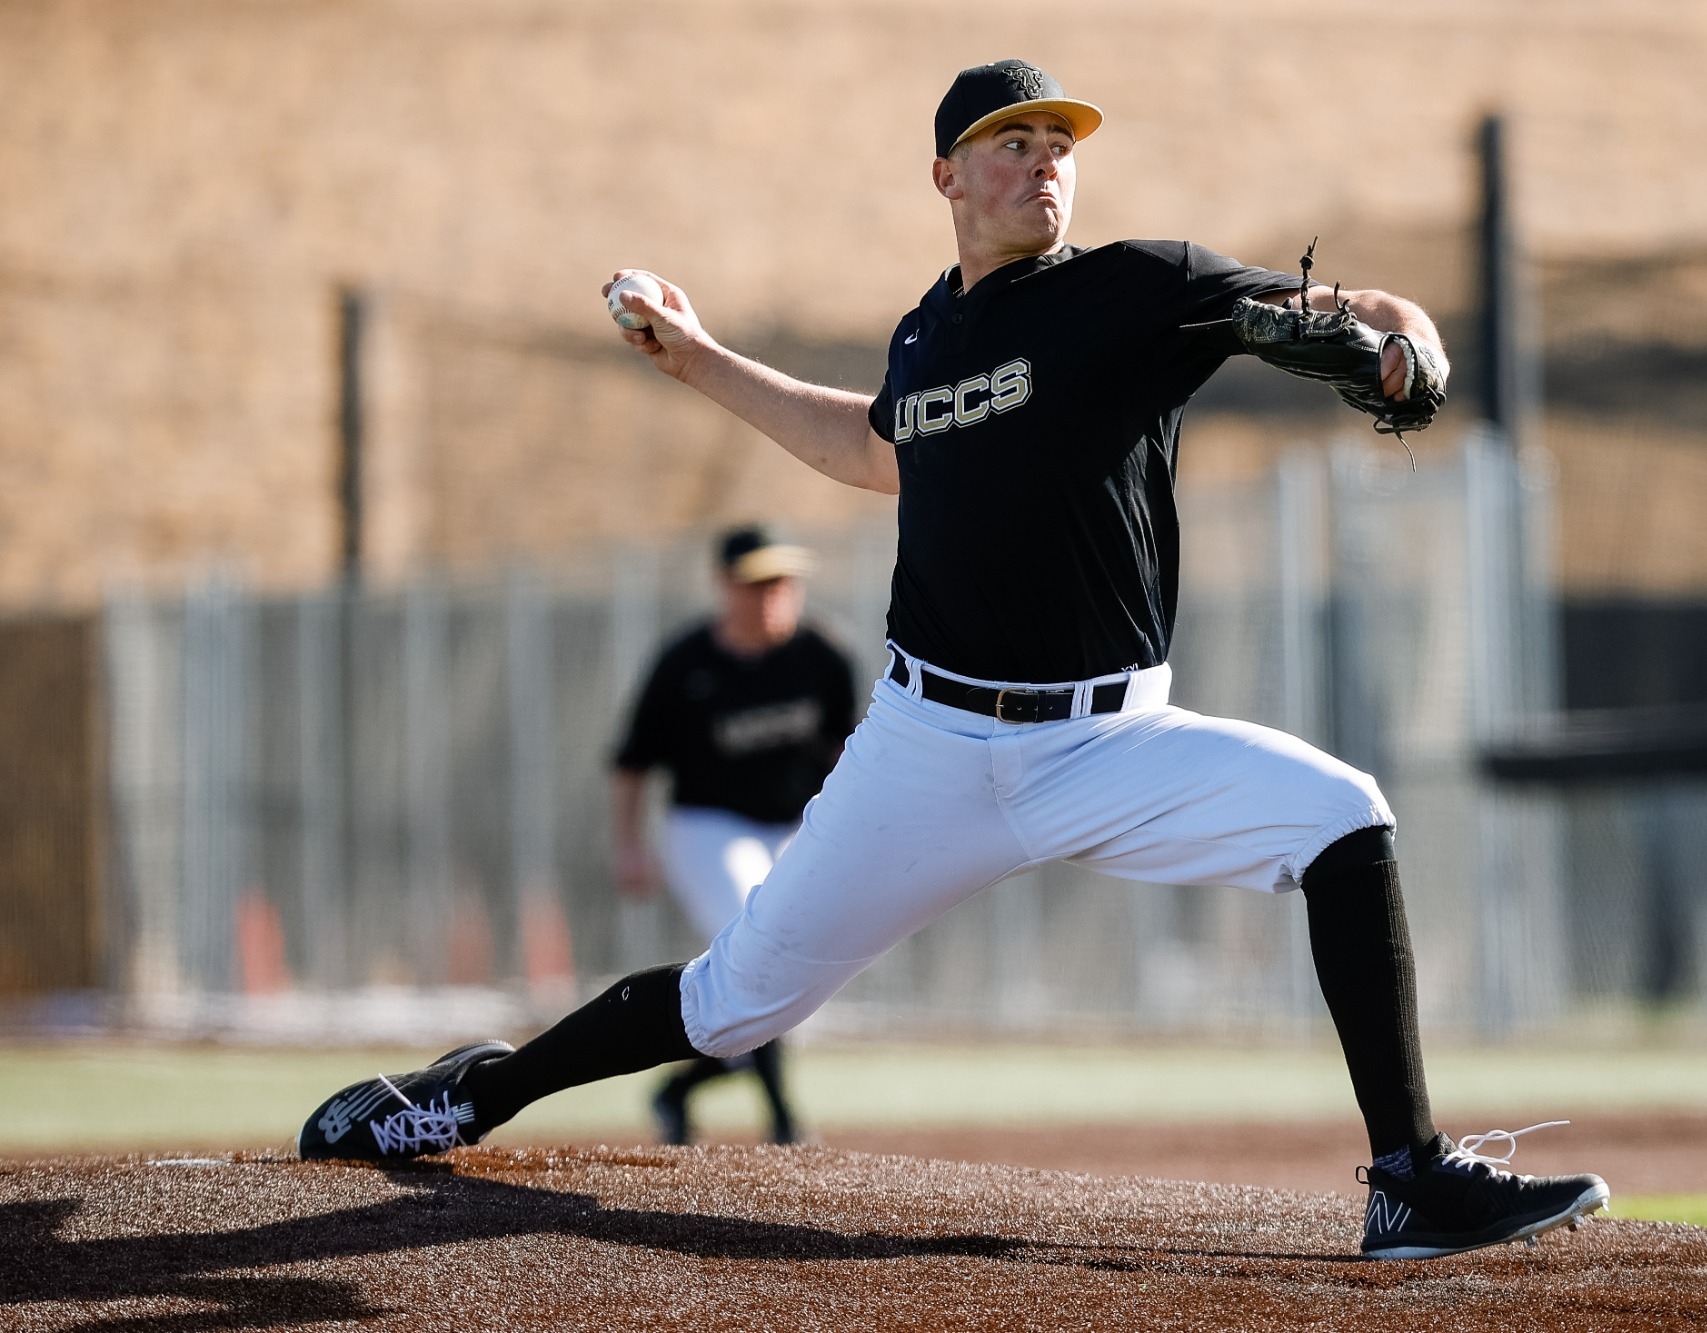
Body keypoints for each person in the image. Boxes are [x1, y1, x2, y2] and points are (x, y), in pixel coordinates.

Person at [299, 58, 1608, 1261]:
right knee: (731, 1004)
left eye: (1059, 143)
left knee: (1343, 817)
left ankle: (1408, 1179)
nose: (1044, 162)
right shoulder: (928, 336)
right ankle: (471, 1093)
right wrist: (696, 360)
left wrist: (1405, 346)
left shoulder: (1138, 290)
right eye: (1011, 142)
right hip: (927, 746)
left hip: (1109, 742)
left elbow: (1334, 310)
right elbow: (872, 450)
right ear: (946, 176)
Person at [609, 524, 856, 1145]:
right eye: (757, 582)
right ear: (724, 586)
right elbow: (632, 762)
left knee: (783, 978)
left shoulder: (823, 655)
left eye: (783, 581)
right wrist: (628, 845)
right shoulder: (687, 663)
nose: (773, 594)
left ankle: (680, 1088)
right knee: (765, 949)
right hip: (708, 827)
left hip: (796, 826)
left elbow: (851, 756)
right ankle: (784, 1122)